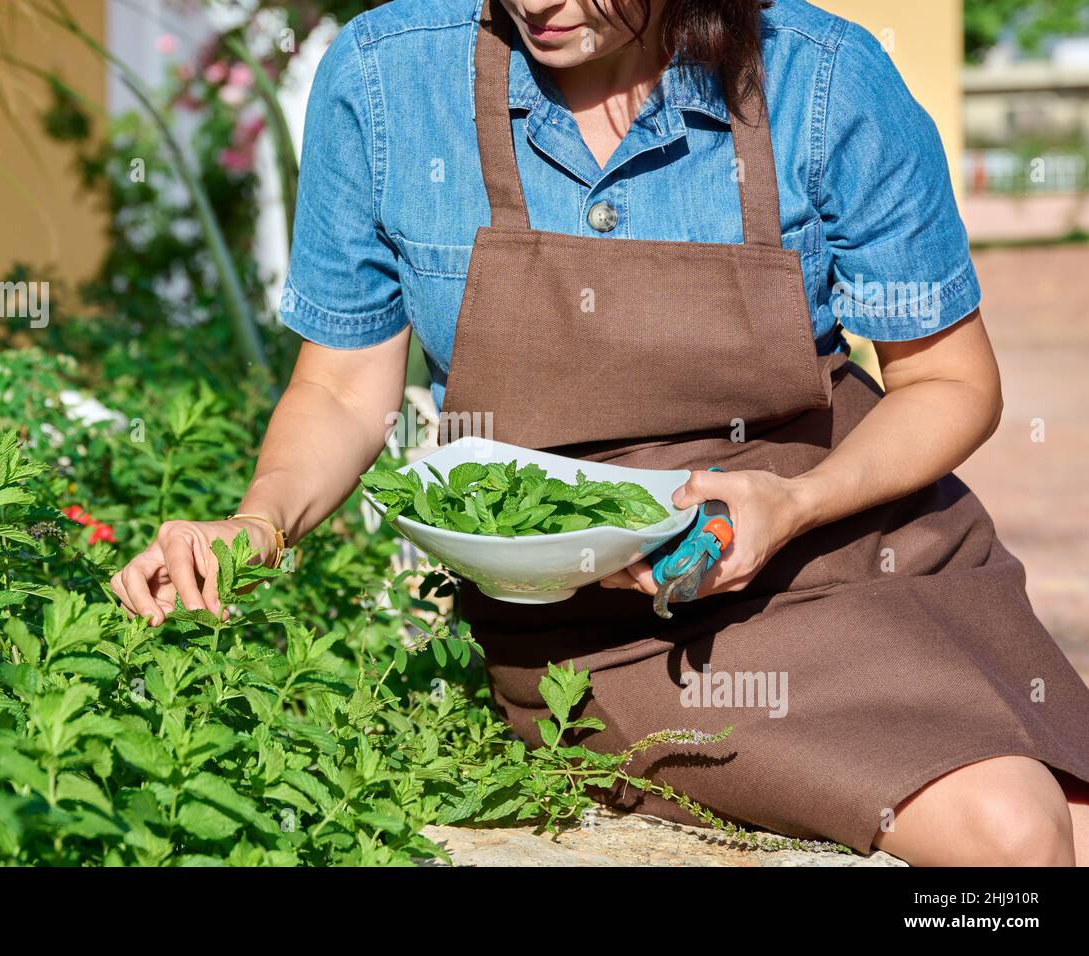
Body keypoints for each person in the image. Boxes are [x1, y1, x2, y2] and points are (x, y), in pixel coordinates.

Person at [112, 0, 1089, 865]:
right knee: (1010, 828)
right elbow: (338, 391)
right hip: (611, 629)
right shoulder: (385, 77)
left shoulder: (821, 75)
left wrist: (791, 504)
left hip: (859, 536)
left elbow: (949, 380)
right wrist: (256, 526)